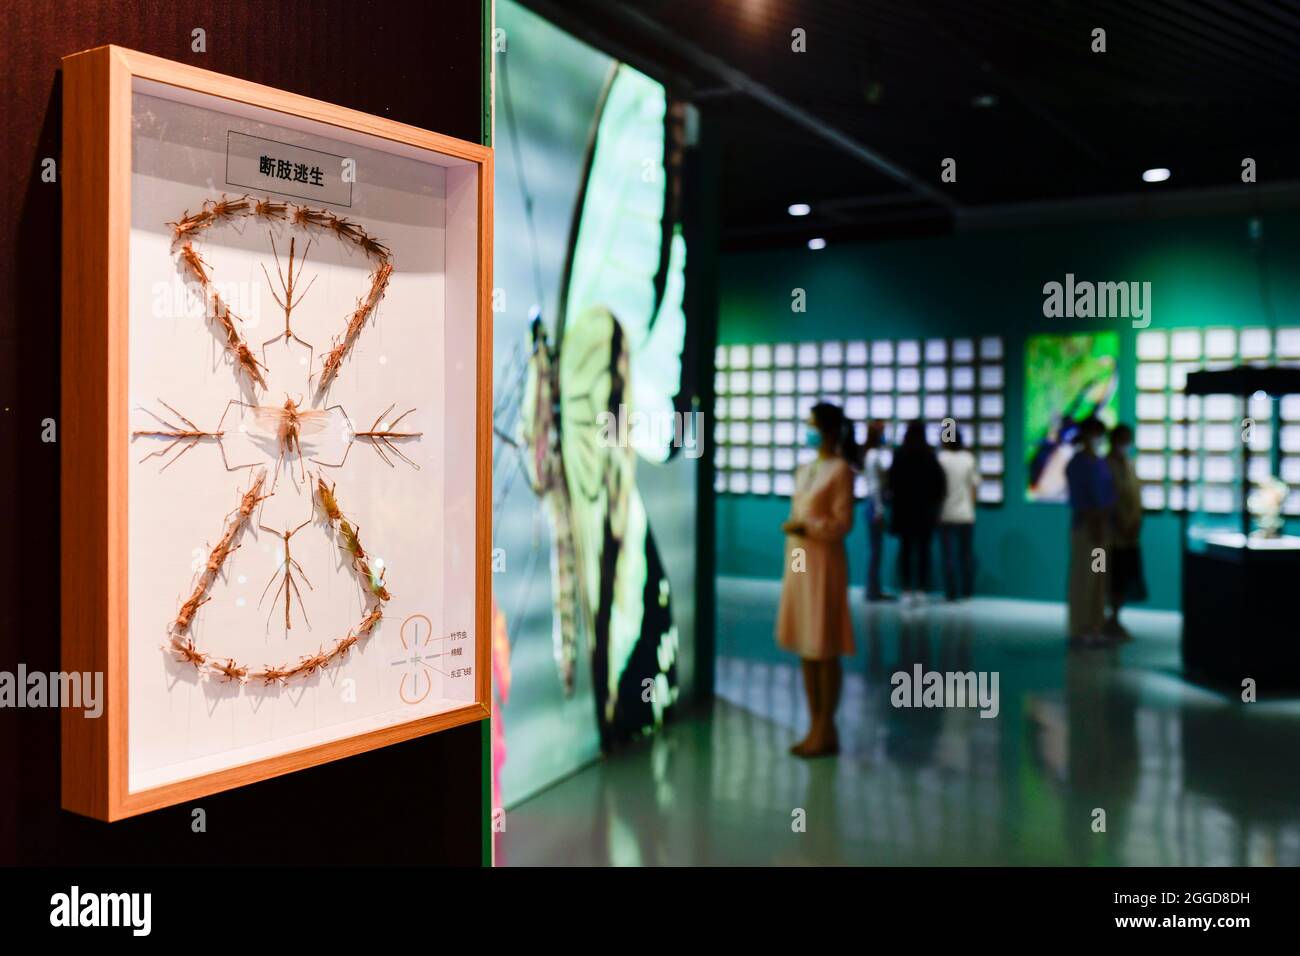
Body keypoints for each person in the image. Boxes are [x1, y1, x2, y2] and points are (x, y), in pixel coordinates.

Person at [776, 402, 860, 758]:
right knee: (805, 642)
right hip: (798, 559)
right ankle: (814, 724)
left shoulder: (840, 471)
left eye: (812, 424)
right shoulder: (806, 469)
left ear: (826, 430)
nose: (808, 430)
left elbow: (842, 523)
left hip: (823, 561)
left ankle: (826, 726)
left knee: (823, 644)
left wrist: (809, 527)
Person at [1064, 417, 1116, 645]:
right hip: (1086, 530)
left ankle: (1096, 625)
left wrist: (1103, 519)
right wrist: (1095, 519)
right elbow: (1081, 499)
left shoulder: (1100, 462)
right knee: (1083, 578)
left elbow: (1109, 494)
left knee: (1098, 578)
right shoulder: (1076, 463)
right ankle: (1080, 627)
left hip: (1102, 532)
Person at [887, 421, 946, 606]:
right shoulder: (930, 456)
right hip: (924, 512)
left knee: (905, 550)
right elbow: (939, 486)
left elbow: (891, 482)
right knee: (923, 551)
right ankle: (921, 589)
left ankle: (905, 589)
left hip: (904, 512)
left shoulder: (900, 455)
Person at [1104, 423, 1146, 641]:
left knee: (1124, 577)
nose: (1126, 444)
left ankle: (1115, 617)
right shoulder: (1105, 465)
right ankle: (1103, 618)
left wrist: (1136, 521)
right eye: (1123, 439)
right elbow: (1107, 499)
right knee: (1106, 574)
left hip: (1130, 535)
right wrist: (1119, 522)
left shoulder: (1130, 464)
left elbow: (1136, 496)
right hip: (1109, 536)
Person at [937, 428, 980, 601]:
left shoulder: (941, 459)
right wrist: (972, 507)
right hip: (966, 514)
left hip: (945, 514)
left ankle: (951, 592)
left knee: (948, 555)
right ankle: (967, 590)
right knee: (965, 554)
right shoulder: (968, 459)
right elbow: (974, 486)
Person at [862, 419, 892, 601]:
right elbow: (874, 486)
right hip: (874, 505)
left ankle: (875, 588)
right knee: (875, 551)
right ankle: (872, 590)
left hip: (873, 504)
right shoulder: (874, 456)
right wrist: (879, 511)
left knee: (876, 550)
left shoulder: (871, 454)